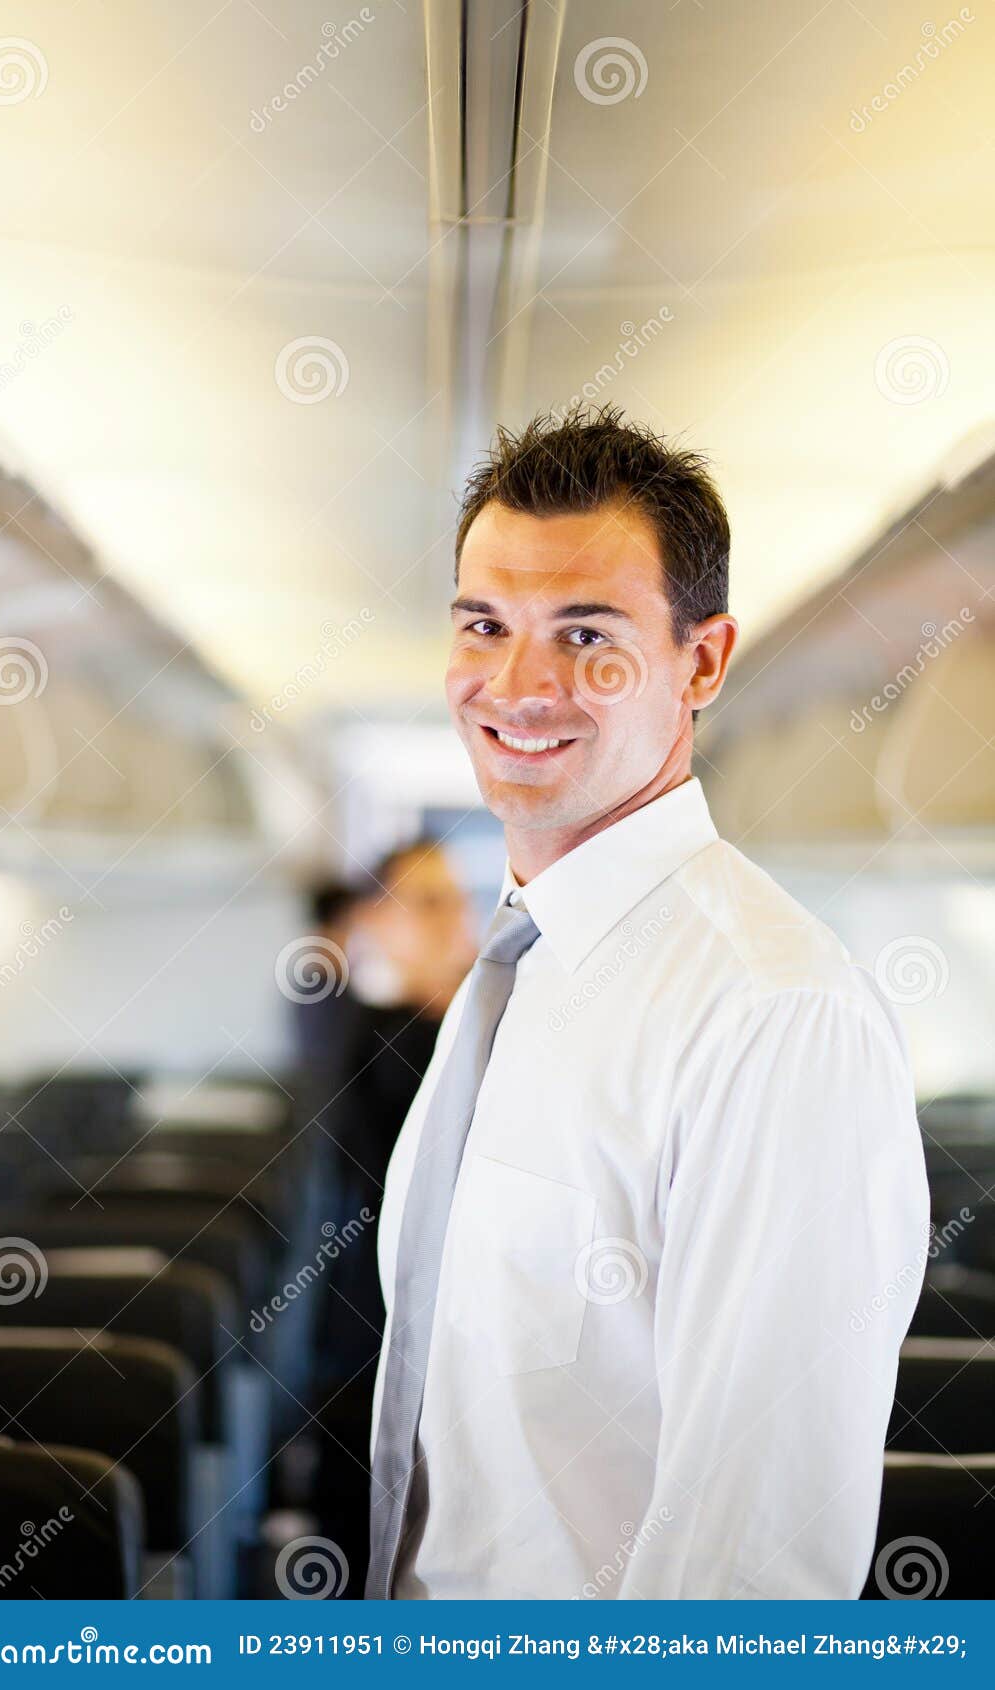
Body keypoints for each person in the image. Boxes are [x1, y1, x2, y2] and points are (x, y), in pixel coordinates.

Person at [366, 405, 929, 1601]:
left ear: (703, 662)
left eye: (586, 633)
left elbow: (751, 1570)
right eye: (484, 624)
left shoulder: (773, 1016)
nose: (516, 684)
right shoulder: (521, 960)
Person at [307, 840, 475, 1592]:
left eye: (458, 899)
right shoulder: (366, 1037)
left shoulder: (490, 1023)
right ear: (376, 919)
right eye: (427, 902)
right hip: (368, 1324)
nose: (455, 920)